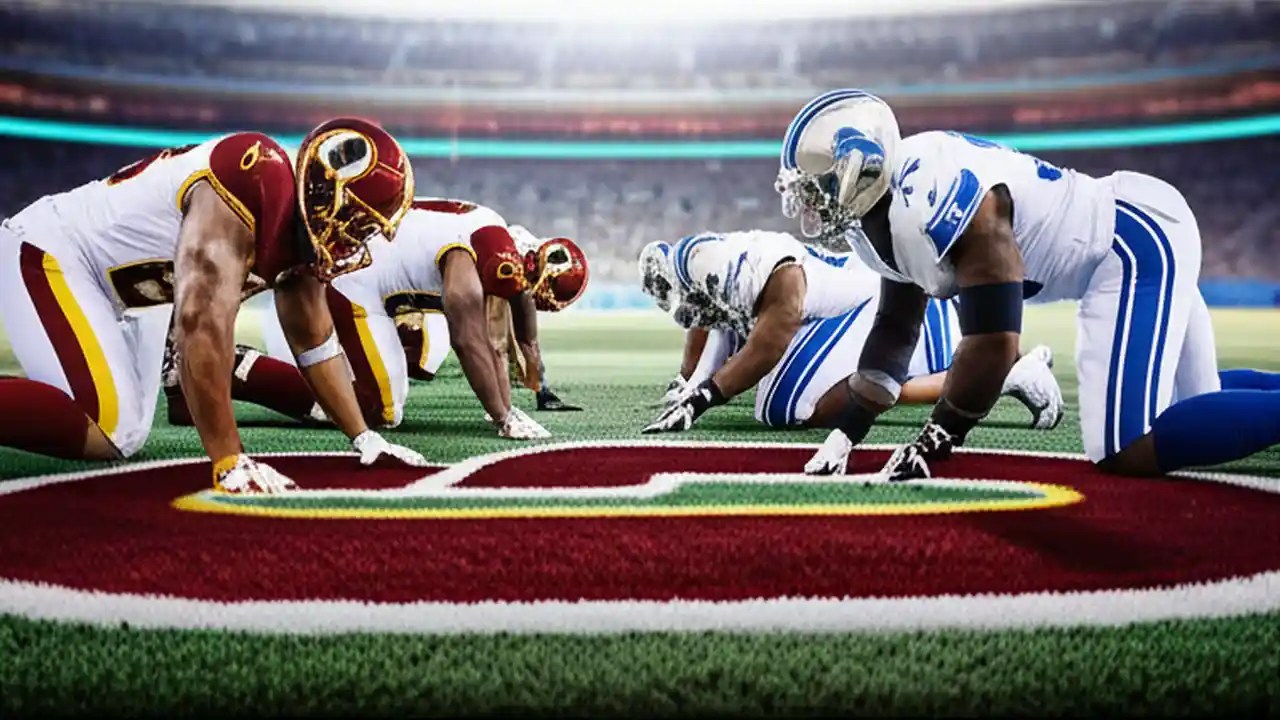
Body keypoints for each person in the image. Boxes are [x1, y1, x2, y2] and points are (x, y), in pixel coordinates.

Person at [774, 89, 1280, 478]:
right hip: (1128, 241)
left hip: (1129, 245)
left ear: (863, 167)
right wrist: (847, 434)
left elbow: (994, 343)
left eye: (817, 188)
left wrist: (936, 441)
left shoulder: (934, 193)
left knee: (1125, 446)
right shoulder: (883, 219)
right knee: (1194, 405)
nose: (814, 206)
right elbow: (894, 330)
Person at [0, 118, 426, 492]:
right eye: (354, 220)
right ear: (323, 185)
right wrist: (228, 459)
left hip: (133, 295)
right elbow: (199, 318)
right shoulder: (252, 174)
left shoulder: (298, 234)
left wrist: (365, 438)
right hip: (58, 250)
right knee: (105, 424)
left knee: (124, 435)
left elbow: (315, 341)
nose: (352, 239)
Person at [638, 232, 1062, 465]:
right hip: (853, 304)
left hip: (880, 307)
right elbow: (714, 321)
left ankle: (1004, 375)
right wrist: (688, 382)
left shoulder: (780, 278)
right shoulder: (722, 265)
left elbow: (765, 347)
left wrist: (701, 399)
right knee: (777, 396)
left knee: (788, 408)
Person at [206, 202, 587, 437]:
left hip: (374, 273)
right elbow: (471, 341)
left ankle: (348, 363)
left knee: (424, 353)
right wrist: (503, 415)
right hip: (353, 276)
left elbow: (519, 331)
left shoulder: (501, 242)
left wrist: (534, 378)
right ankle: (244, 369)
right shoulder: (485, 260)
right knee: (381, 410)